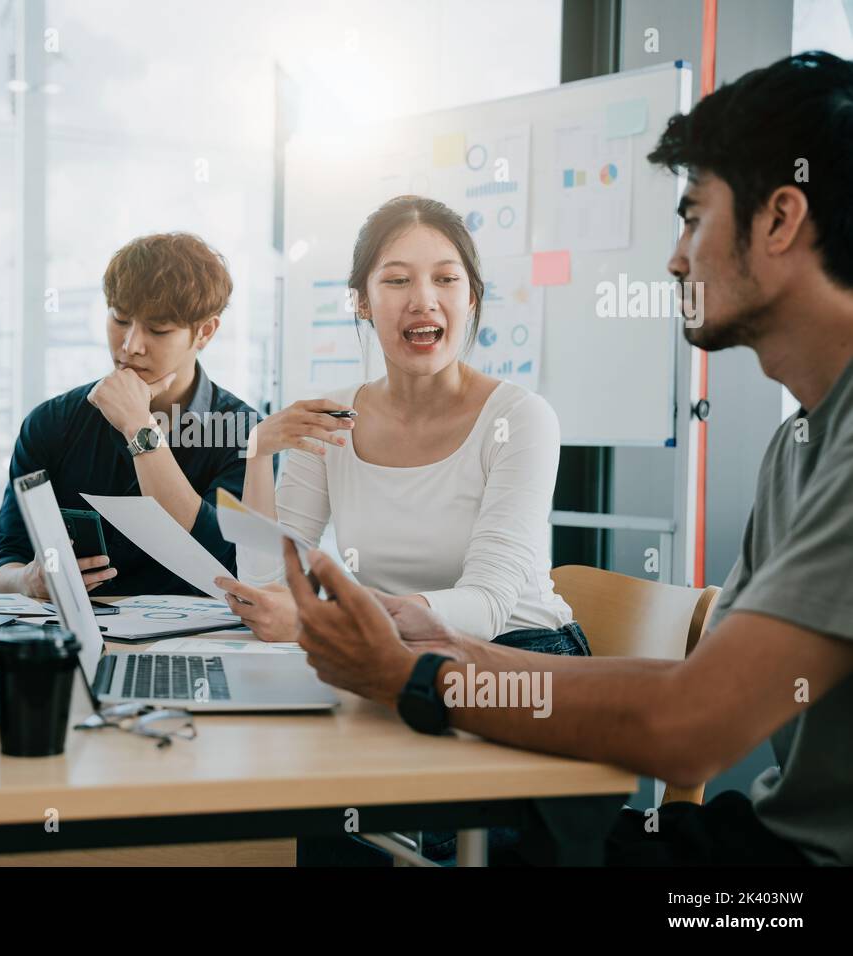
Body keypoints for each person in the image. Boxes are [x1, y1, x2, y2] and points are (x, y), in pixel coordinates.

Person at [282, 51, 853, 867]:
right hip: (757, 840)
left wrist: (415, 677)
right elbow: (689, 695)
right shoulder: (799, 444)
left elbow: (690, 730)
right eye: (397, 280)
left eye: (693, 216)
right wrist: (443, 651)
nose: (675, 258)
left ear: (779, 219)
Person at [216, 195, 585, 662]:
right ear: (362, 301)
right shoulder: (332, 420)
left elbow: (488, 605)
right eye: (396, 280)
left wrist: (333, 619)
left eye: (446, 279)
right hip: (397, 649)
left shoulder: (520, 418)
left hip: (521, 654)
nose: (423, 300)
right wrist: (259, 454)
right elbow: (269, 584)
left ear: (470, 297)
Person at [0, 232, 266, 598]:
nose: (130, 346)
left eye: (158, 329)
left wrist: (139, 426)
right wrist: (28, 580)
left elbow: (230, 564)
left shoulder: (244, 433)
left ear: (205, 332)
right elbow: (3, 565)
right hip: (82, 642)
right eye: (120, 319)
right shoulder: (52, 424)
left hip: (199, 645)